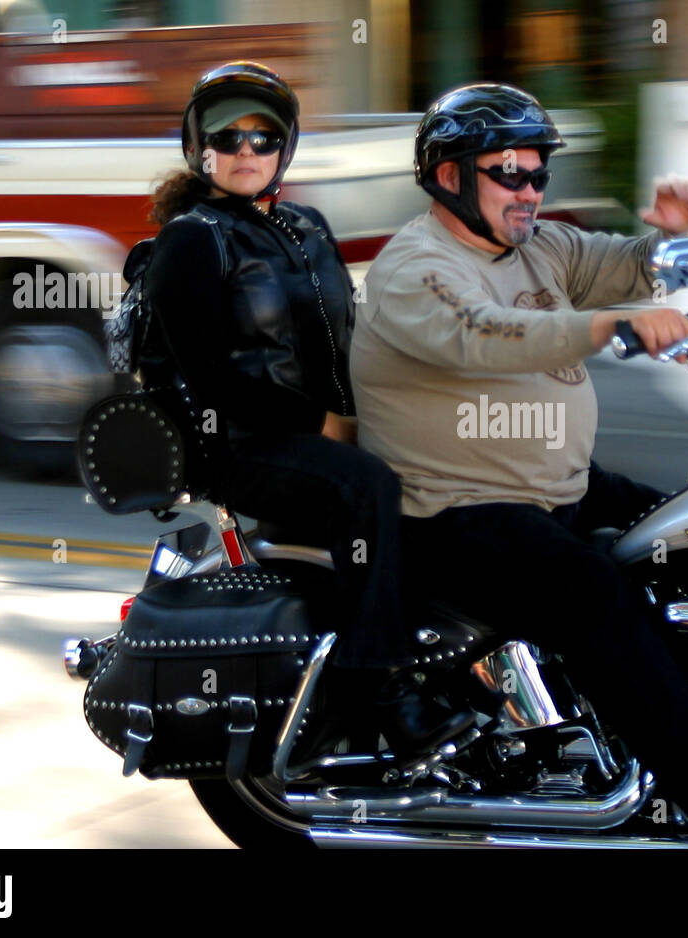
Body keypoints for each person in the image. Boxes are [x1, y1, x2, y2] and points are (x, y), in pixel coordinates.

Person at [350, 82, 688, 846]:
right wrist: (613, 323)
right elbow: (486, 335)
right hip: (453, 511)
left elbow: (639, 270)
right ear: (449, 177)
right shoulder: (417, 267)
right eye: (509, 171)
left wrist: (677, 239)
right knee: (591, 588)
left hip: (555, 488)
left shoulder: (542, 247)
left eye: (539, 172)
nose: (530, 189)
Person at [140, 61, 473, 758]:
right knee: (368, 485)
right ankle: (379, 694)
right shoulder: (191, 240)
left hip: (325, 429)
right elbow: (213, 379)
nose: (245, 152)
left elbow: (350, 335)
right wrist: (324, 425)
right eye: (228, 137)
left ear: (284, 149)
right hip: (241, 447)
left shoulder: (307, 226)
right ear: (199, 147)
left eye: (264, 139)